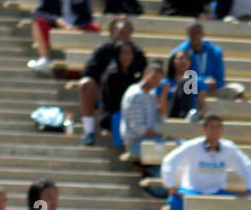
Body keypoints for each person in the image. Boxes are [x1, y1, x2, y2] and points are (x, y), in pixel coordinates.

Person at [162, 114, 251, 210]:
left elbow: (246, 165)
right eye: (212, 127)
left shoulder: (229, 147)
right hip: (192, 191)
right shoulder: (193, 146)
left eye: (218, 127)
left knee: (243, 203)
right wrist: (171, 185)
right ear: (204, 130)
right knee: (174, 199)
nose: (215, 130)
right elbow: (170, 160)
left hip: (218, 192)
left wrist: (249, 188)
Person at [78, 17, 145, 146]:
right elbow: (88, 71)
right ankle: (89, 131)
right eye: (120, 32)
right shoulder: (103, 50)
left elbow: (144, 77)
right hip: (106, 94)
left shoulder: (137, 54)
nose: (123, 36)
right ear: (113, 32)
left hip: (129, 95)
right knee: (86, 84)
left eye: (126, 32)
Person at [29, 0, 98, 72]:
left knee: (93, 27)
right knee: (38, 21)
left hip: (77, 25)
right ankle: (44, 57)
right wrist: (56, 20)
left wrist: (76, 26)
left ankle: (92, 60)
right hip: (56, 25)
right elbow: (39, 12)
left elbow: (88, 16)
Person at [168, 22, 244, 100]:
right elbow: (179, 77)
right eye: (192, 34)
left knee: (237, 89)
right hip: (190, 90)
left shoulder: (215, 52)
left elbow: (220, 79)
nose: (195, 37)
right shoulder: (180, 54)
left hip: (211, 89)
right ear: (188, 35)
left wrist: (215, 83)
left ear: (202, 34)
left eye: (197, 33)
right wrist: (202, 83)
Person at [120, 60, 168, 162]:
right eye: (154, 78)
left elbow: (162, 117)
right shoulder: (135, 95)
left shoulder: (152, 94)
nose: (156, 82)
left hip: (151, 139)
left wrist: (163, 96)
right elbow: (139, 128)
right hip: (136, 142)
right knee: (173, 150)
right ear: (146, 74)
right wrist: (164, 137)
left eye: (159, 80)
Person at [161, 48, 206, 120]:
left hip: (190, 117)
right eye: (180, 59)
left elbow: (202, 105)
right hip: (169, 116)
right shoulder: (164, 82)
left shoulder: (197, 81)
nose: (184, 61)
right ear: (173, 62)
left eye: (187, 59)